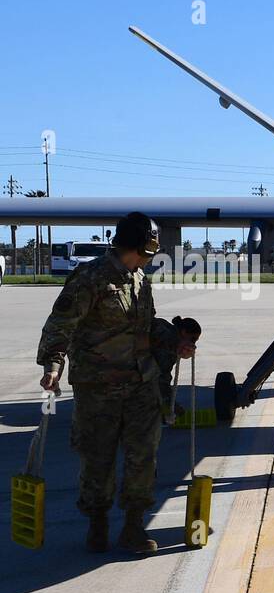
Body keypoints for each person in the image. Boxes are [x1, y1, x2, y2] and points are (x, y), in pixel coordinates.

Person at [37, 212, 196, 554]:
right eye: (151, 248)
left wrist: (175, 343)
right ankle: (97, 523)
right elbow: (60, 325)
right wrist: (53, 365)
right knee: (98, 458)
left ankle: (134, 526)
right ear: (143, 245)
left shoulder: (139, 279)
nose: (150, 257)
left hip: (141, 384)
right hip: (98, 387)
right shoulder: (89, 278)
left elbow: (147, 325)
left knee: (143, 455)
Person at [155, 316, 203, 424]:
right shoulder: (168, 342)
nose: (193, 344)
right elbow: (161, 378)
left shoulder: (162, 325)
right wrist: (171, 404)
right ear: (184, 332)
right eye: (193, 339)